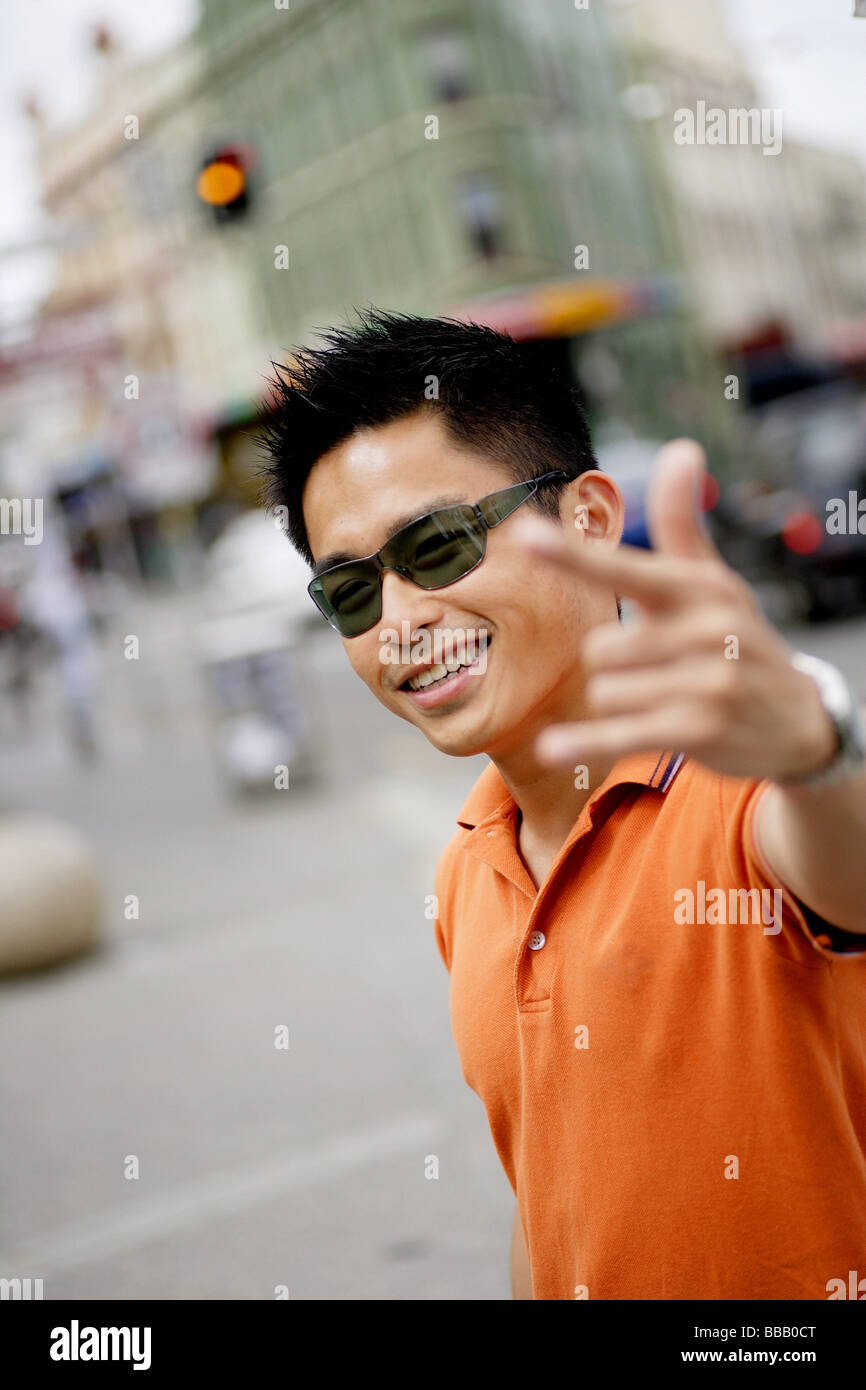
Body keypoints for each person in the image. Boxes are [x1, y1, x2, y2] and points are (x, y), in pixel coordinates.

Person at [260, 309, 866, 1301]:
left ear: (586, 516)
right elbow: (549, 1198)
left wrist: (817, 749)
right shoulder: (467, 868)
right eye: (352, 594)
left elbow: (841, 865)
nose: (402, 622)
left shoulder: (746, 782)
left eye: (440, 543)